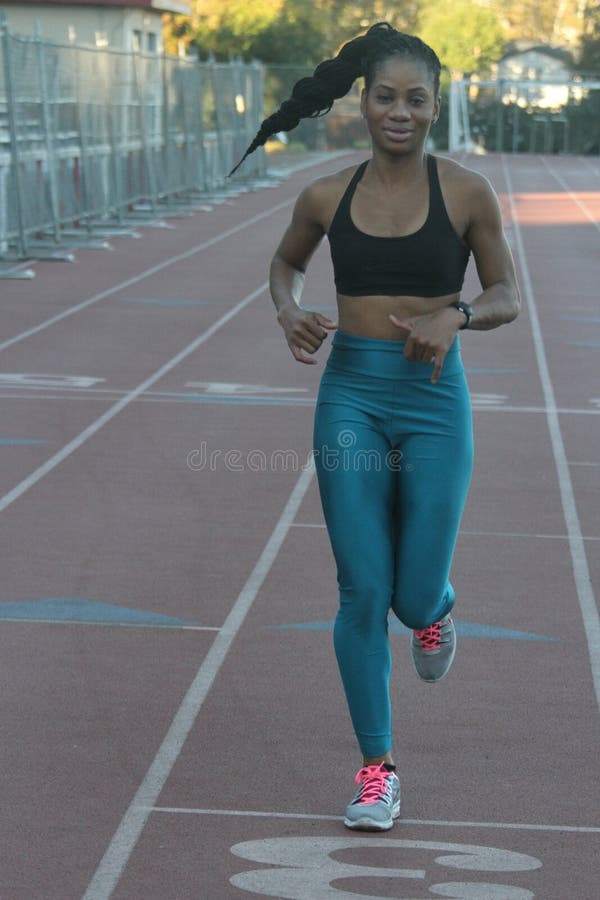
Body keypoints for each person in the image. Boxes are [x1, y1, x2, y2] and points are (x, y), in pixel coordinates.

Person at [231, 22, 520, 831]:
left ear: (436, 106)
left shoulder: (466, 193)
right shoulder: (325, 195)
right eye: (385, 96)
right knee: (362, 590)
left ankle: (437, 607)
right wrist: (288, 311)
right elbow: (285, 264)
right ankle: (376, 769)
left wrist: (457, 315)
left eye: (415, 99)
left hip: (433, 400)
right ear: (363, 102)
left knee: (412, 593)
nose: (399, 111)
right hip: (350, 394)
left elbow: (507, 296)